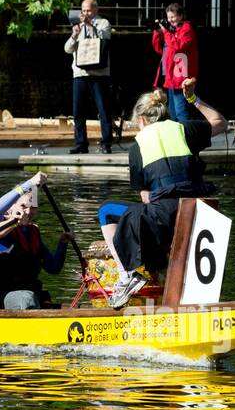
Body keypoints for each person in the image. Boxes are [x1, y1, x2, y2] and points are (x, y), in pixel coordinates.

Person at [97, 80, 226, 309]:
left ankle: (126, 276)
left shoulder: (137, 148)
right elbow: (220, 122)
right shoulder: (184, 129)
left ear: (142, 119)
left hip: (166, 217)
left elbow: (146, 197)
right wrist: (192, 98)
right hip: (201, 210)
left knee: (106, 211)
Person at [0, 174, 72, 309]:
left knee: (39, 297)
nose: (29, 211)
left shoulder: (32, 233)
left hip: (26, 297)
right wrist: (30, 183)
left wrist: (63, 244)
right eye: (23, 206)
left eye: (33, 206)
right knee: (27, 297)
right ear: (10, 209)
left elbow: (54, 268)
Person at [65, 0, 115, 153]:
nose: (85, 13)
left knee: (103, 109)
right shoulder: (78, 26)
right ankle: (81, 144)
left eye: (88, 10)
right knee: (78, 111)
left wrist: (89, 25)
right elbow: (67, 49)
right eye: (83, 10)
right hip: (80, 74)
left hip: (99, 74)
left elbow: (103, 39)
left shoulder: (104, 23)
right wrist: (74, 35)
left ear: (95, 10)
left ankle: (106, 143)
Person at [150, 2, 198, 124]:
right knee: (172, 113)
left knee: (181, 111)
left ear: (181, 16)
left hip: (180, 76)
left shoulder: (186, 28)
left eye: (173, 17)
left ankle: (186, 138)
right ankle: (176, 139)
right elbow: (159, 49)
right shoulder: (172, 30)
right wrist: (157, 32)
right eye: (168, 17)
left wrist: (166, 32)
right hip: (170, 75)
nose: (170, 20)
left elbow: (178, 47)